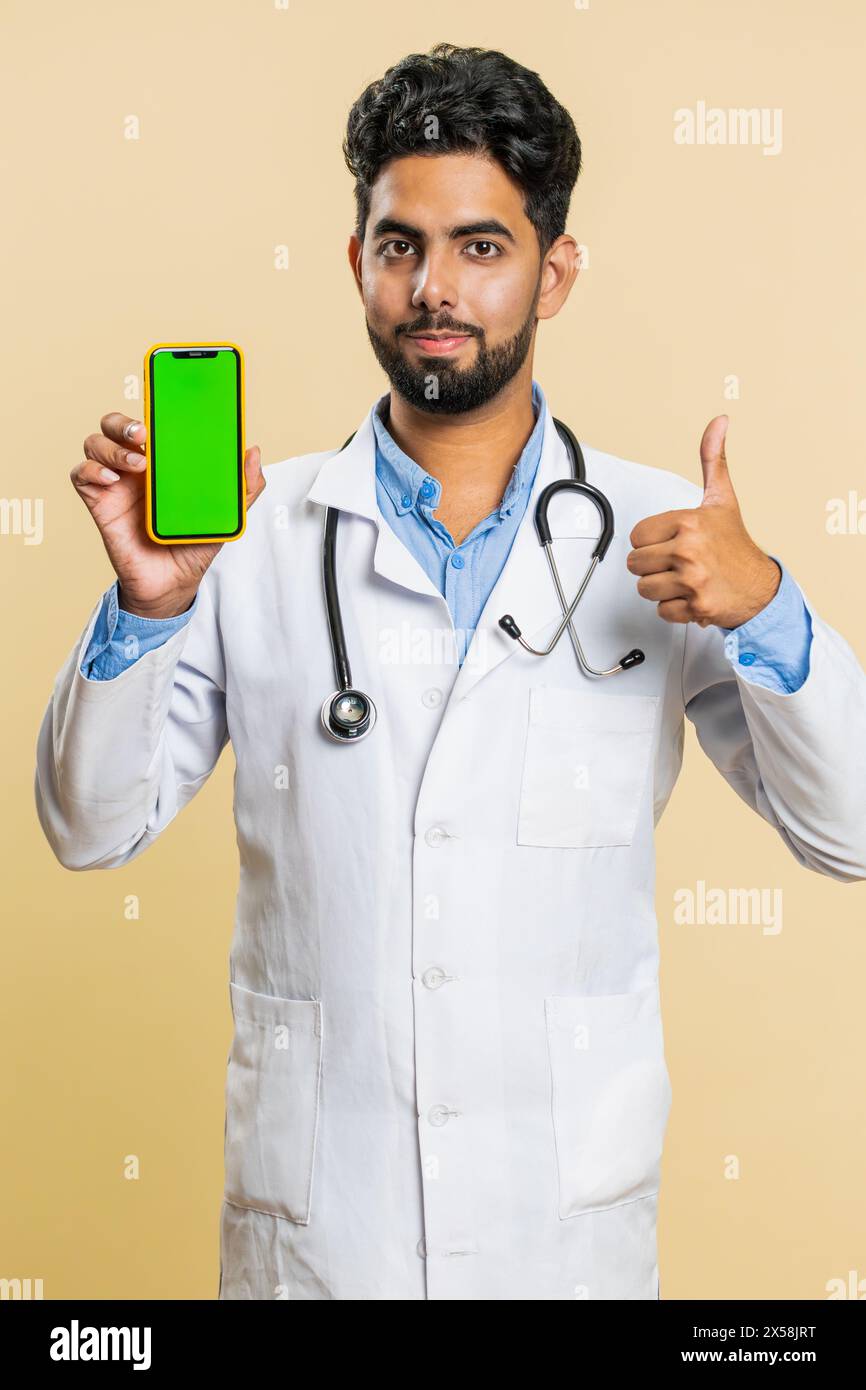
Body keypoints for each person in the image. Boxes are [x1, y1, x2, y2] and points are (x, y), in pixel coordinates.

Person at [34, 42, 866, 1301]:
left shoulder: (666, 540)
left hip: (562, 1243)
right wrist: (148, 609)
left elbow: (848, 833)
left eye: (481, 247)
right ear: (356, 261)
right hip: (317, 1247)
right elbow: (87, 829)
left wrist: (769, 608)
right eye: (398, 245)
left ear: (555, 270)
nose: (435, 287)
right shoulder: (240, 541)